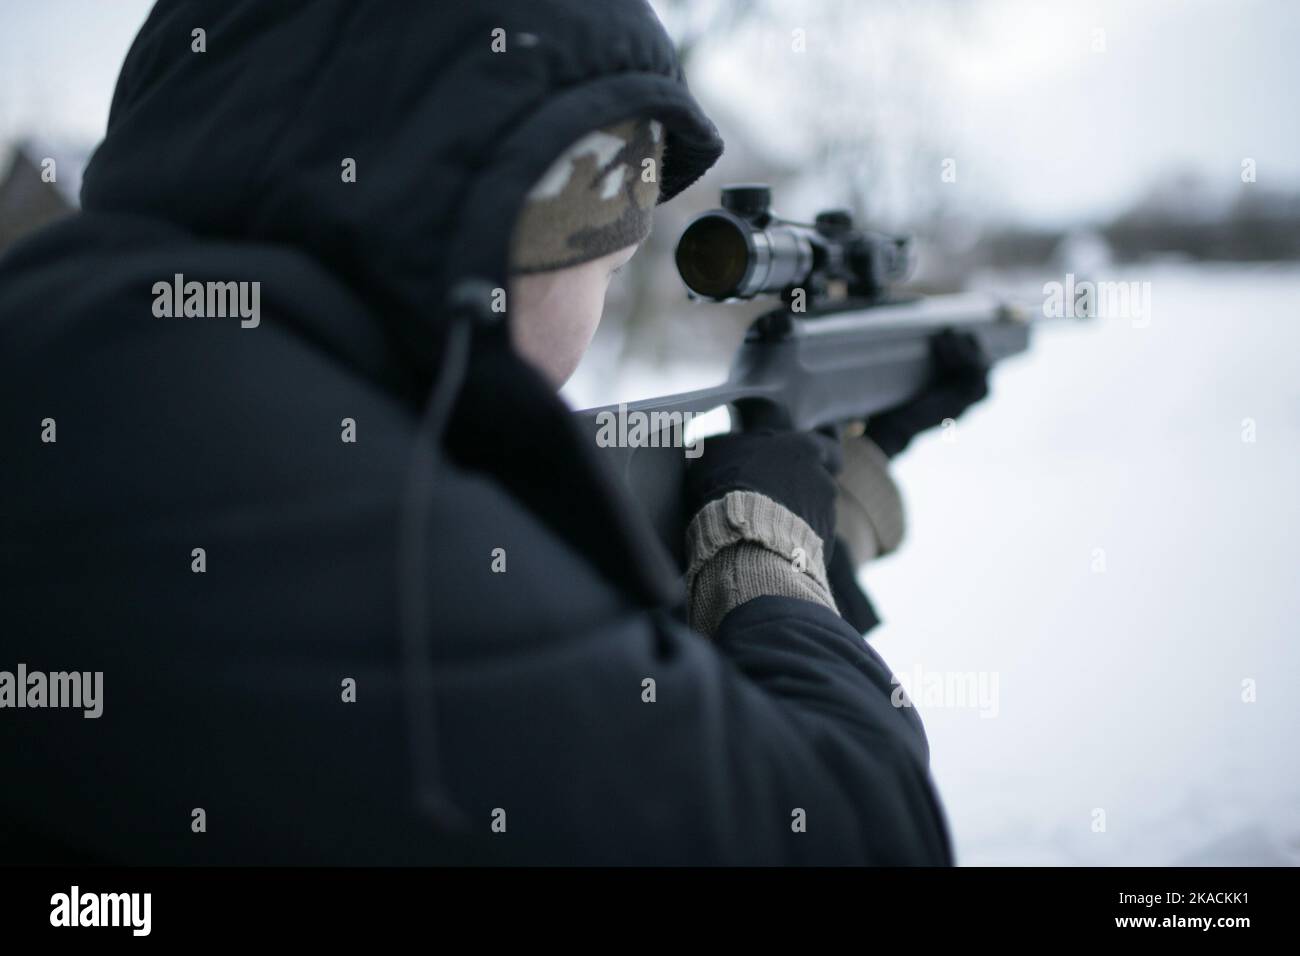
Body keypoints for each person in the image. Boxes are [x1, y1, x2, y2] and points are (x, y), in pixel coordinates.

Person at [0, 0, 984, 865]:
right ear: (496, 219)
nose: (599, 303)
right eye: (606, 264)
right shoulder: (249, 473)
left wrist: (830, 493)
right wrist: (764, 546)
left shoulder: (121, 359)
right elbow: (859, 829)